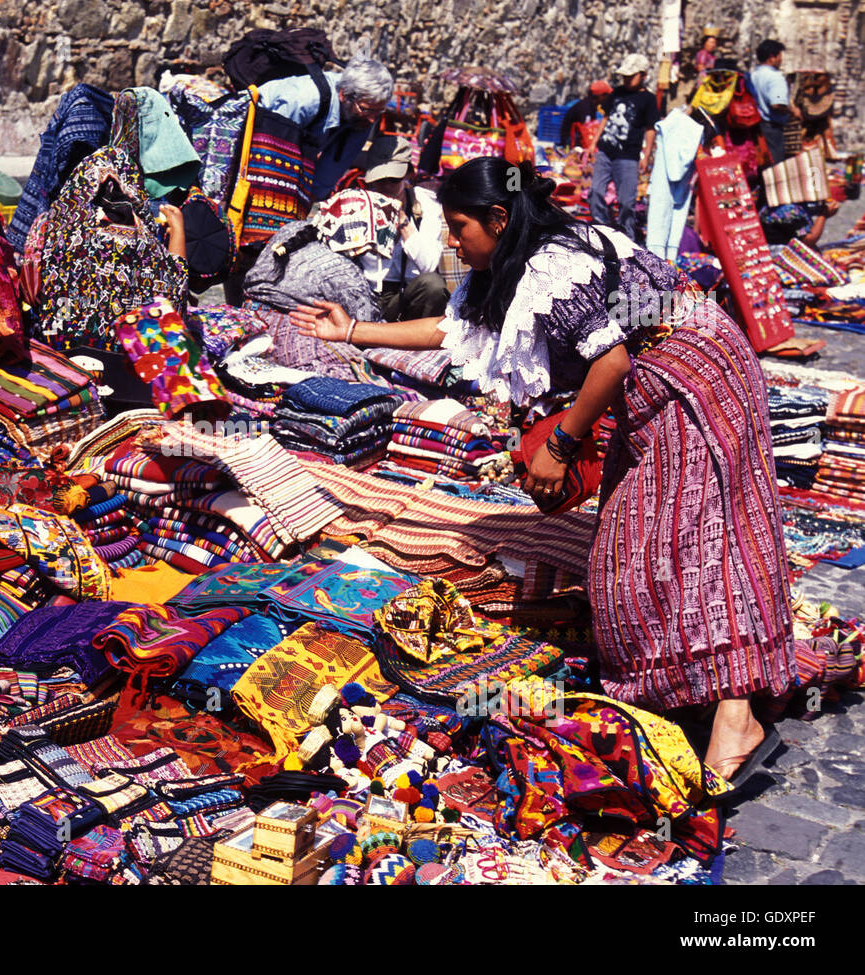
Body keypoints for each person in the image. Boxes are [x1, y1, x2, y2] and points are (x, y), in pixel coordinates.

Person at [290, 157, 795, 783]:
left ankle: (735, 714)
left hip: (692, 377)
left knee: (690, 539)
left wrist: (560, 444)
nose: (450, 239)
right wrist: (355, 332)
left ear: (498, 219)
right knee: (637, 545)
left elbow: (609, 361)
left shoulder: (554, 266)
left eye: (458, 226)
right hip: (653, 388)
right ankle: (708, 689)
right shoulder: (510, 264)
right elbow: (456, 331)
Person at [256, 57, 393, 201]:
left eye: (379, 111)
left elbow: (329, 173)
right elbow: (269, 157)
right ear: (343, 95)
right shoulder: (305, 101)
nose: (372, 119)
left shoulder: (364, 116)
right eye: (366, 110)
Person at [355, 135, 449, 320]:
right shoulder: (358, 204)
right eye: (380, 180)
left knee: (434, 286)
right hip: (366, 294)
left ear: (409, 174)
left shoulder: (425, 204)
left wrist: (403, 222)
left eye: (394, 179)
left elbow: (429, 265)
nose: (387, 187)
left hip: (408, 295)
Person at [590, 53, 659, 237]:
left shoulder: (648, 99)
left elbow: (650, 128)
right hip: (606, 150)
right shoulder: (618, 92)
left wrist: (646, 155)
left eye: (631, 76)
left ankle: (627, 237)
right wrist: (594, 143)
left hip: (628, 156)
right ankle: (601, 230)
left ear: (643, 75)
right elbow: (606, 117)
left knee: (627, 202)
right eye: (625, 76)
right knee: (596, 191)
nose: (627, 80)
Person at [749, 39, 798, 166]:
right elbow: (777, 103)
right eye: (780, 56)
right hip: (771, 127)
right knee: (775, 164)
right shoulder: (775, 77)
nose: (781, 60)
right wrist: (793, 111)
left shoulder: (754, 75)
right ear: (772, 57)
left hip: (756, 125)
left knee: (760, 162)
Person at [559, 80, 611, 149]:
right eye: (606, 95)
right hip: (571, 141)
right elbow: (585, 131)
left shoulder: (591, 105)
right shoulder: (585, 108)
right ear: (600, 96)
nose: (608, 98)